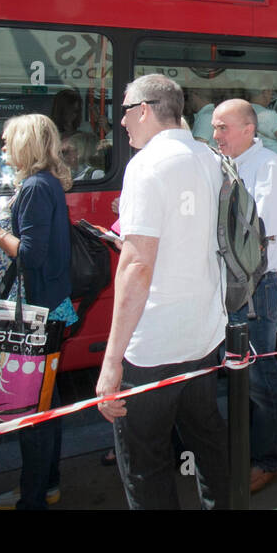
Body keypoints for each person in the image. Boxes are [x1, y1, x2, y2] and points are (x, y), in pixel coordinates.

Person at [95, 75, 229, 510]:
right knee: (208, 444)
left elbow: (137, 266)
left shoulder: (147, 165)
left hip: (152, 347)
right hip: (205, 333)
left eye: (126, 112)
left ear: (146, 109)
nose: (122, 123)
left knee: (145, 465)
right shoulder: (208, 155)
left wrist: (112, 362)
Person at [0, 114, 75, 510]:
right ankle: (45, 484)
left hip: (33, 314)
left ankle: (33, 496)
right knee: (47, 404)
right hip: (47, 309)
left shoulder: (33, 187)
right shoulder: (44, 184)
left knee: (32, 411)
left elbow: (30, 255)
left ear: (25, 145)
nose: (1, 147)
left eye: (7, 140)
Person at [211, 98, 277, 492]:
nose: (216, 136)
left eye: (223, 128)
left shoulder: (270, 168)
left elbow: (256, 235)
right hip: (228, 286)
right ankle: (246, 448)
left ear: (249, 129)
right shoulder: (227, 165)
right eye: (214, 128)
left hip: (255, 287)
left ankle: (268, 459)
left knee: (260, 377)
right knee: (236, 374)